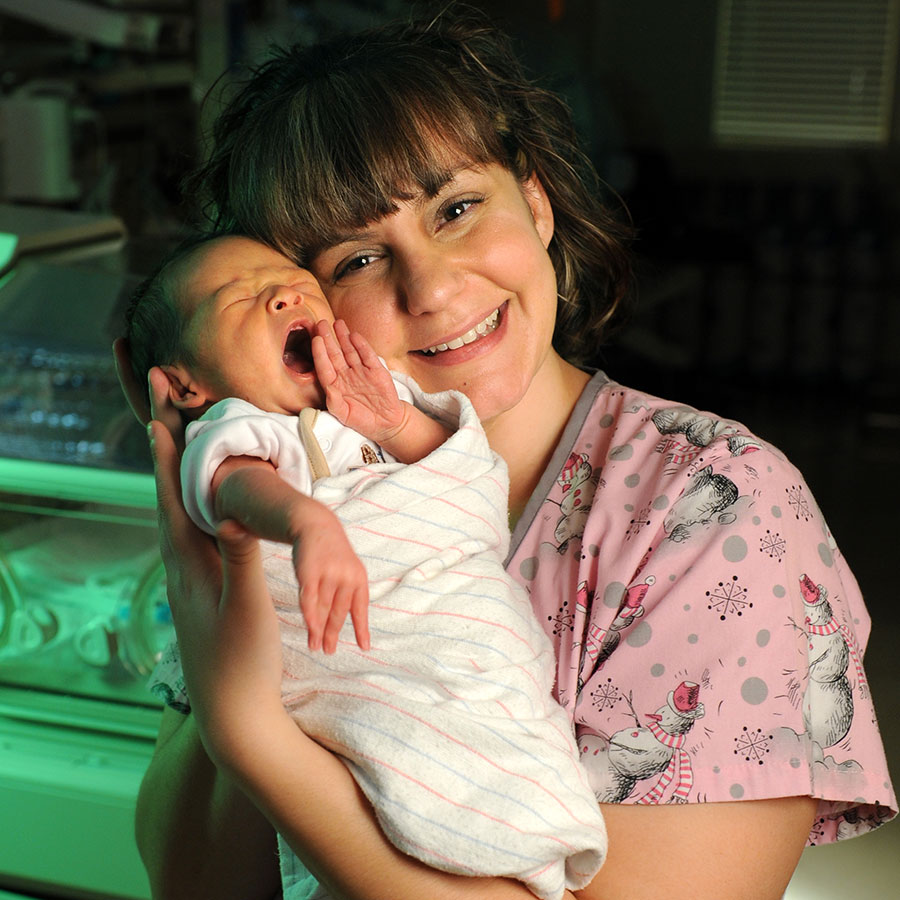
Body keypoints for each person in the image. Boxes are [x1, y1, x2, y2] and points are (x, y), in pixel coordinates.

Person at [115, 7, 897, 900]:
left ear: (535, 201)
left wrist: (250, 728)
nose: (435, 285)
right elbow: (194, 885)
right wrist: (221, 590)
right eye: (357, 259)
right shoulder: (292, 502)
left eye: (457, 208)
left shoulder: (716, 511)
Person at [124, 232, 608, 900]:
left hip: (460, 637)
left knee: (492, 698)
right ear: (187, 384)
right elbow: (230, 486)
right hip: (364, 671)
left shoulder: (372, 406)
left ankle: (507, 819)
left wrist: (393, 423)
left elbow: (466, 487)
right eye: (240, 297)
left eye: (293, 280)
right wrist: (305, 522)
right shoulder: (241, 425)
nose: (283, 294)